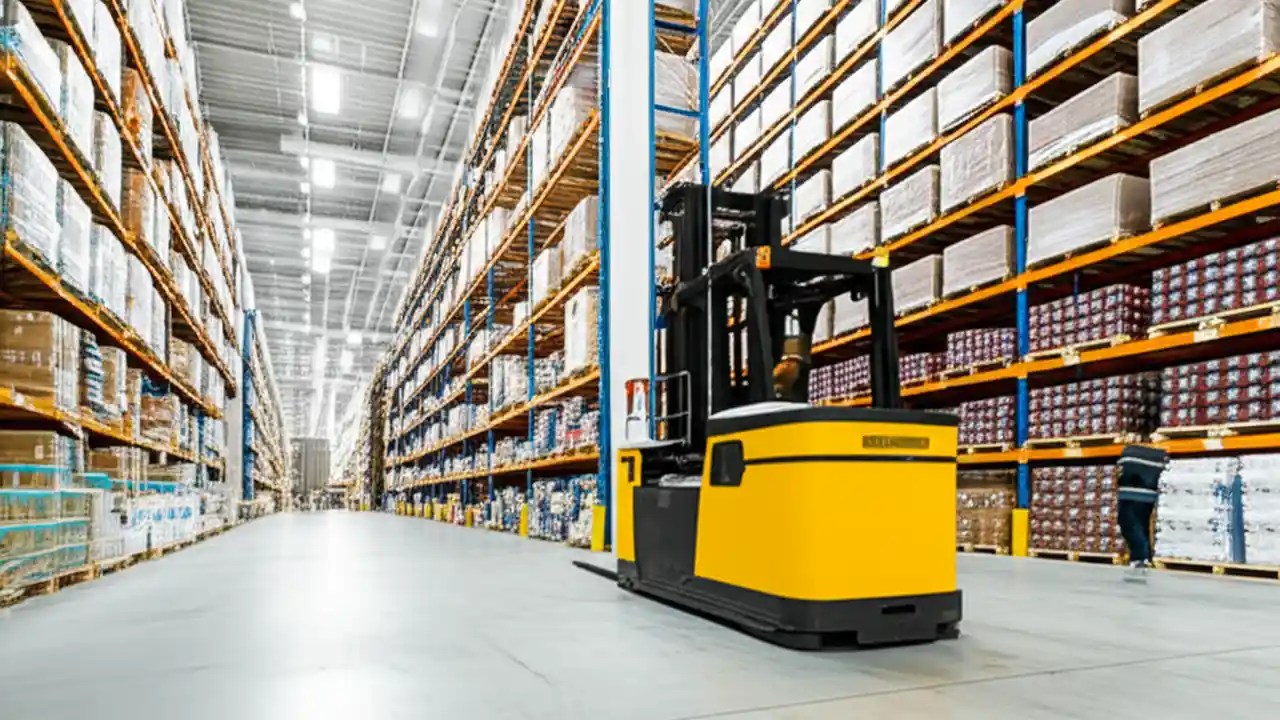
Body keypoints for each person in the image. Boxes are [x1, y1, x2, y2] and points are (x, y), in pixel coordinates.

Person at [1116, 445, 1168, 582]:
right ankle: (1143, 557)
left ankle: (1140, 557)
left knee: (1128, 521)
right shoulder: (1156, 453)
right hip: (1146, 484)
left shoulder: (1133, 451)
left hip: (1134, 486)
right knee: (1140, 522)